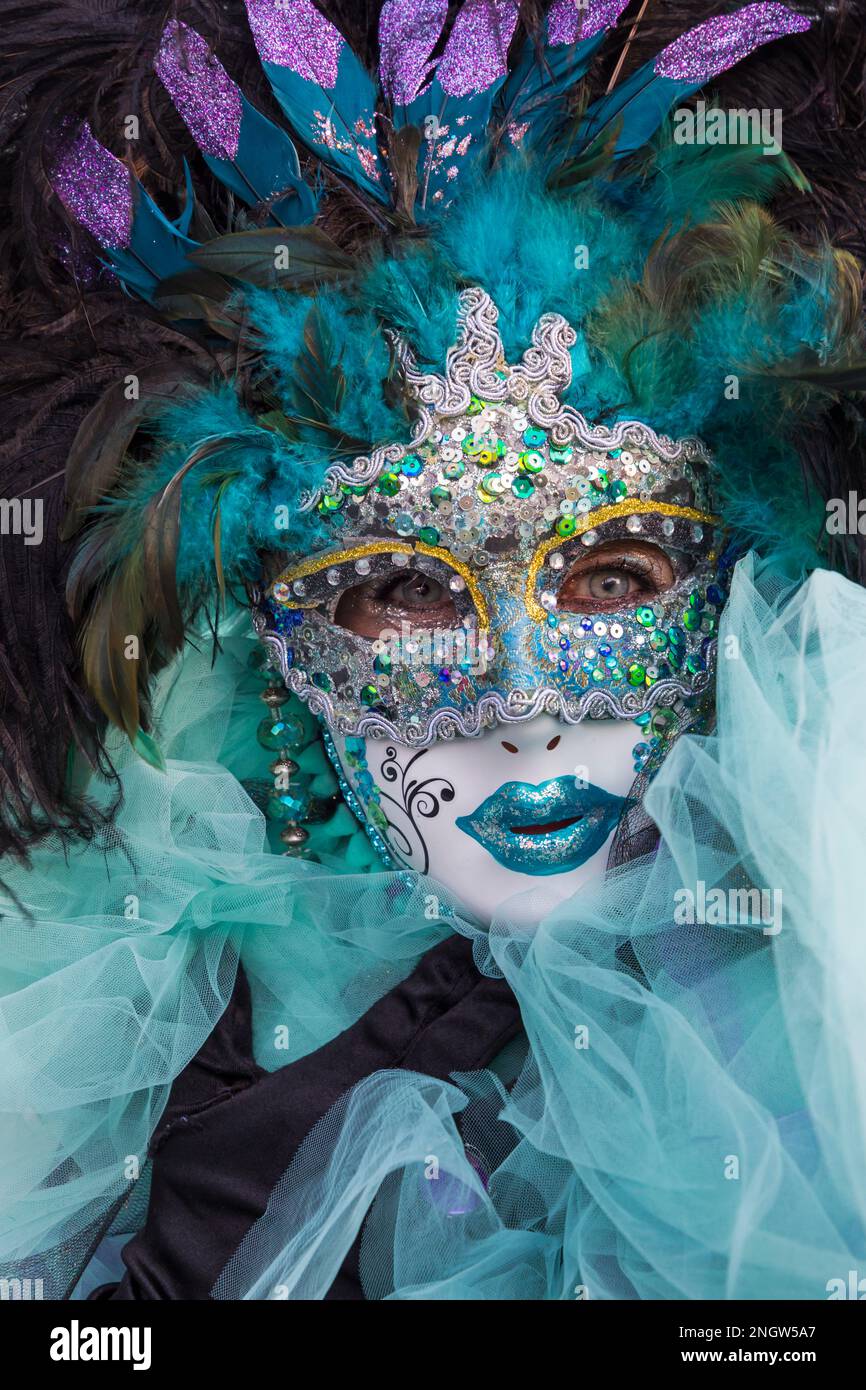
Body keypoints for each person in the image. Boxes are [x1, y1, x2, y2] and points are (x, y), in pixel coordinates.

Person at [2, 0, 865, 1301]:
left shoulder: (815, 1011)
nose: (521, 709)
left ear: (725, 574)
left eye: (610, 578)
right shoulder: (110, 1041)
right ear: (274, 624)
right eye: (405, 591)